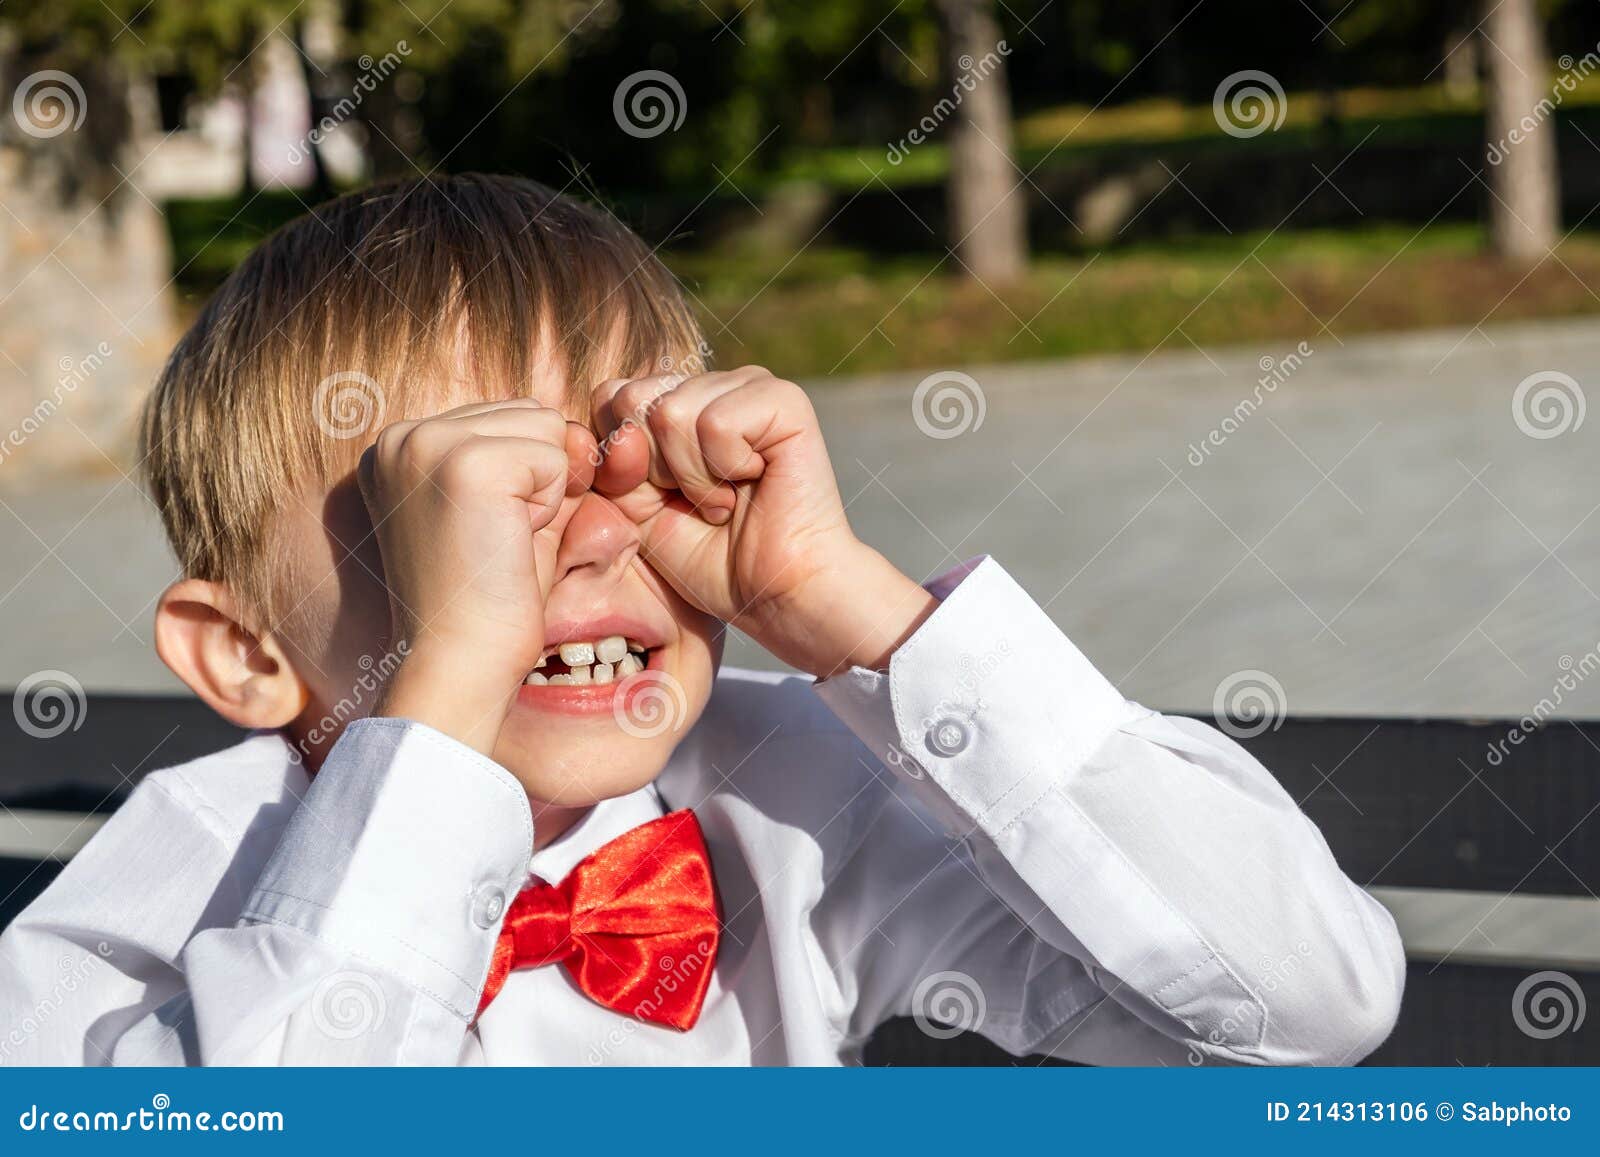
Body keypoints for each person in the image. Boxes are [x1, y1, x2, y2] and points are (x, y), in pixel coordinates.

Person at [0, 175, 1404, 1066]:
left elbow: (1307, 1005)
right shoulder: (170, 888)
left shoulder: (784, 794)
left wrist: (860, 613)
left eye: (629, 468)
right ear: (244, 651)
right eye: (458, 511)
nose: (591, 534)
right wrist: (455, 677)